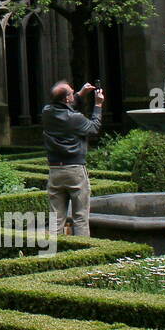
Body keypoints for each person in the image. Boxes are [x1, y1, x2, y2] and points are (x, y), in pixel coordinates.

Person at [41, 81, 104, 237]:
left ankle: (53, 254)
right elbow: (94, 127)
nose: (73, 92)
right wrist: (98, 105)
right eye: (71, 92)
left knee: (56, 219)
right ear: (66, 99)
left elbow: (63, 103)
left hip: (55, 170)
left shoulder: (47, 112)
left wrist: (80, 94)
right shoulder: (75, 118)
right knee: (80, 217)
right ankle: (83, 255)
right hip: (74, 170)